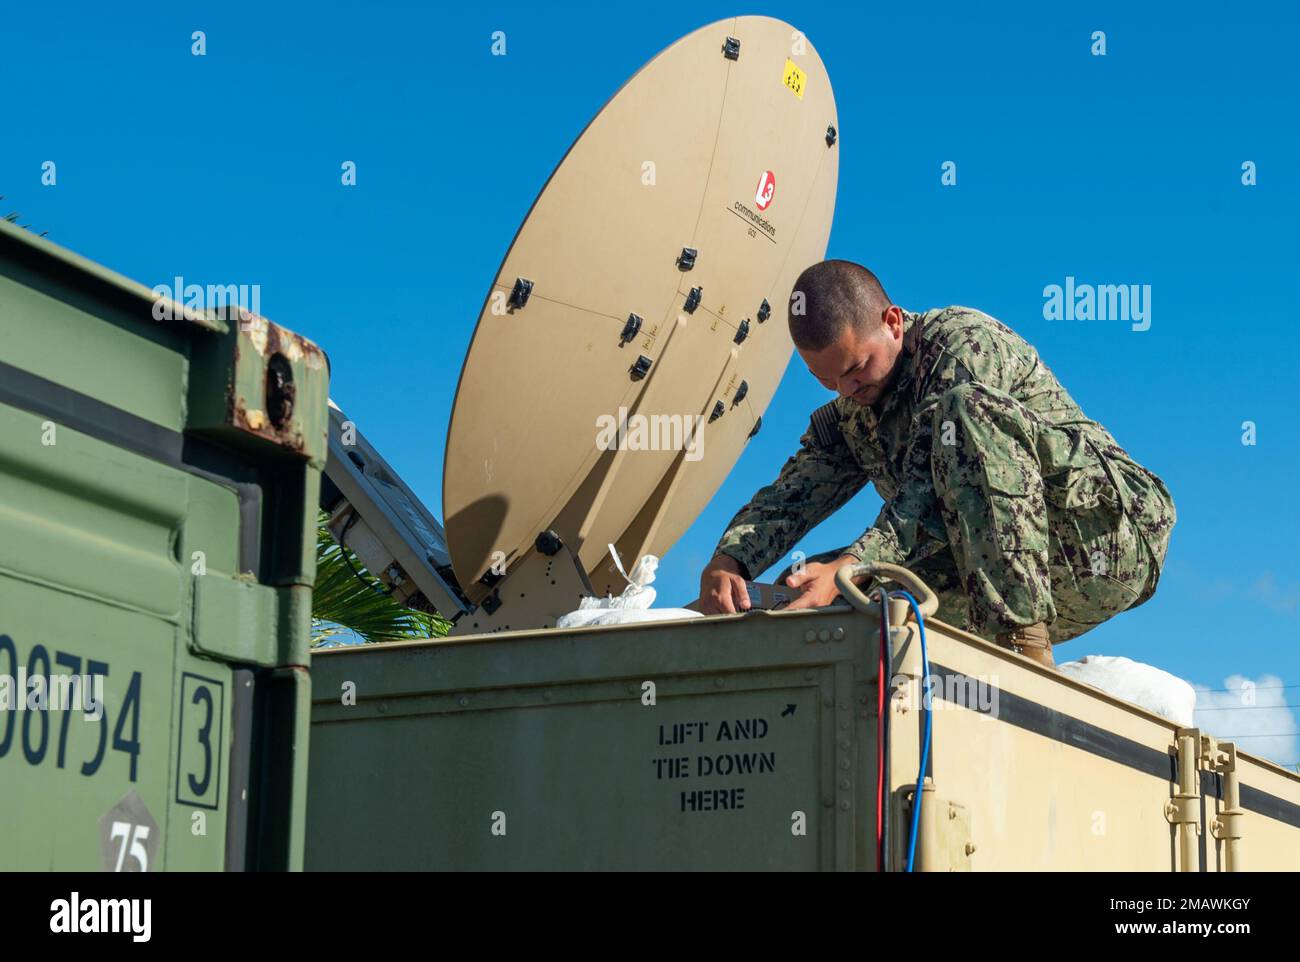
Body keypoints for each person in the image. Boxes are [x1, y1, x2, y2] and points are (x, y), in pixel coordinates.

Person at [696, 260, 1176, 667]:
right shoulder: (854, 408)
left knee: (968, 412)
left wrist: (852, 562)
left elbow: (928, 488)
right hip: (1010, 567)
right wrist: (729, 560)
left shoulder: (962, 346)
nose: (845, 390)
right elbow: (794, 493)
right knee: (813, 591)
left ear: (892, 322)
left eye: (856, 368)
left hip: (1105, 533)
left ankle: (1024, 652)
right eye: (826, 380)